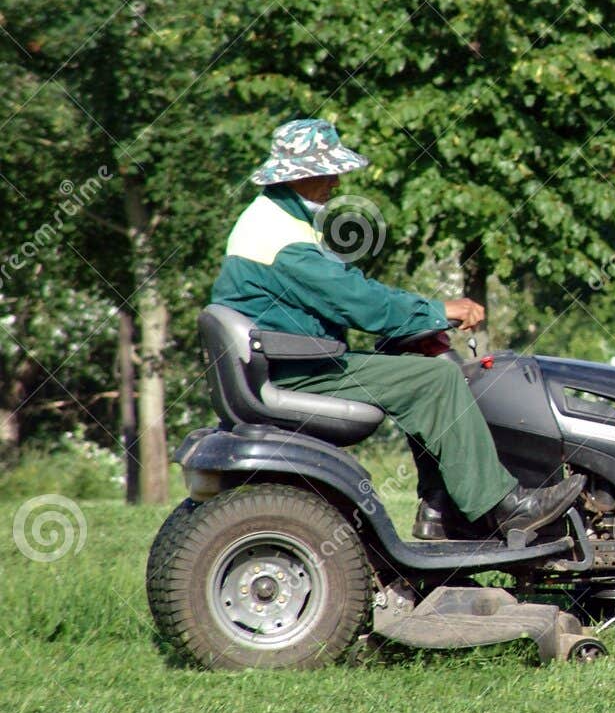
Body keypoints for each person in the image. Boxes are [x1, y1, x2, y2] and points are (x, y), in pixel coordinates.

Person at [209, 117, 582, 541]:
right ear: (303, 175)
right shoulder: (283, 240)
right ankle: (505, 507)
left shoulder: (270, 220)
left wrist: (417, 324)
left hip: (287, 358)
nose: (335, 181)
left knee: (414, 363)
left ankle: (441, 509)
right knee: (438, 378)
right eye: (328, 172)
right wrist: (440, 311)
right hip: (299, 370)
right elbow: (359, 303)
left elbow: (345, 296)